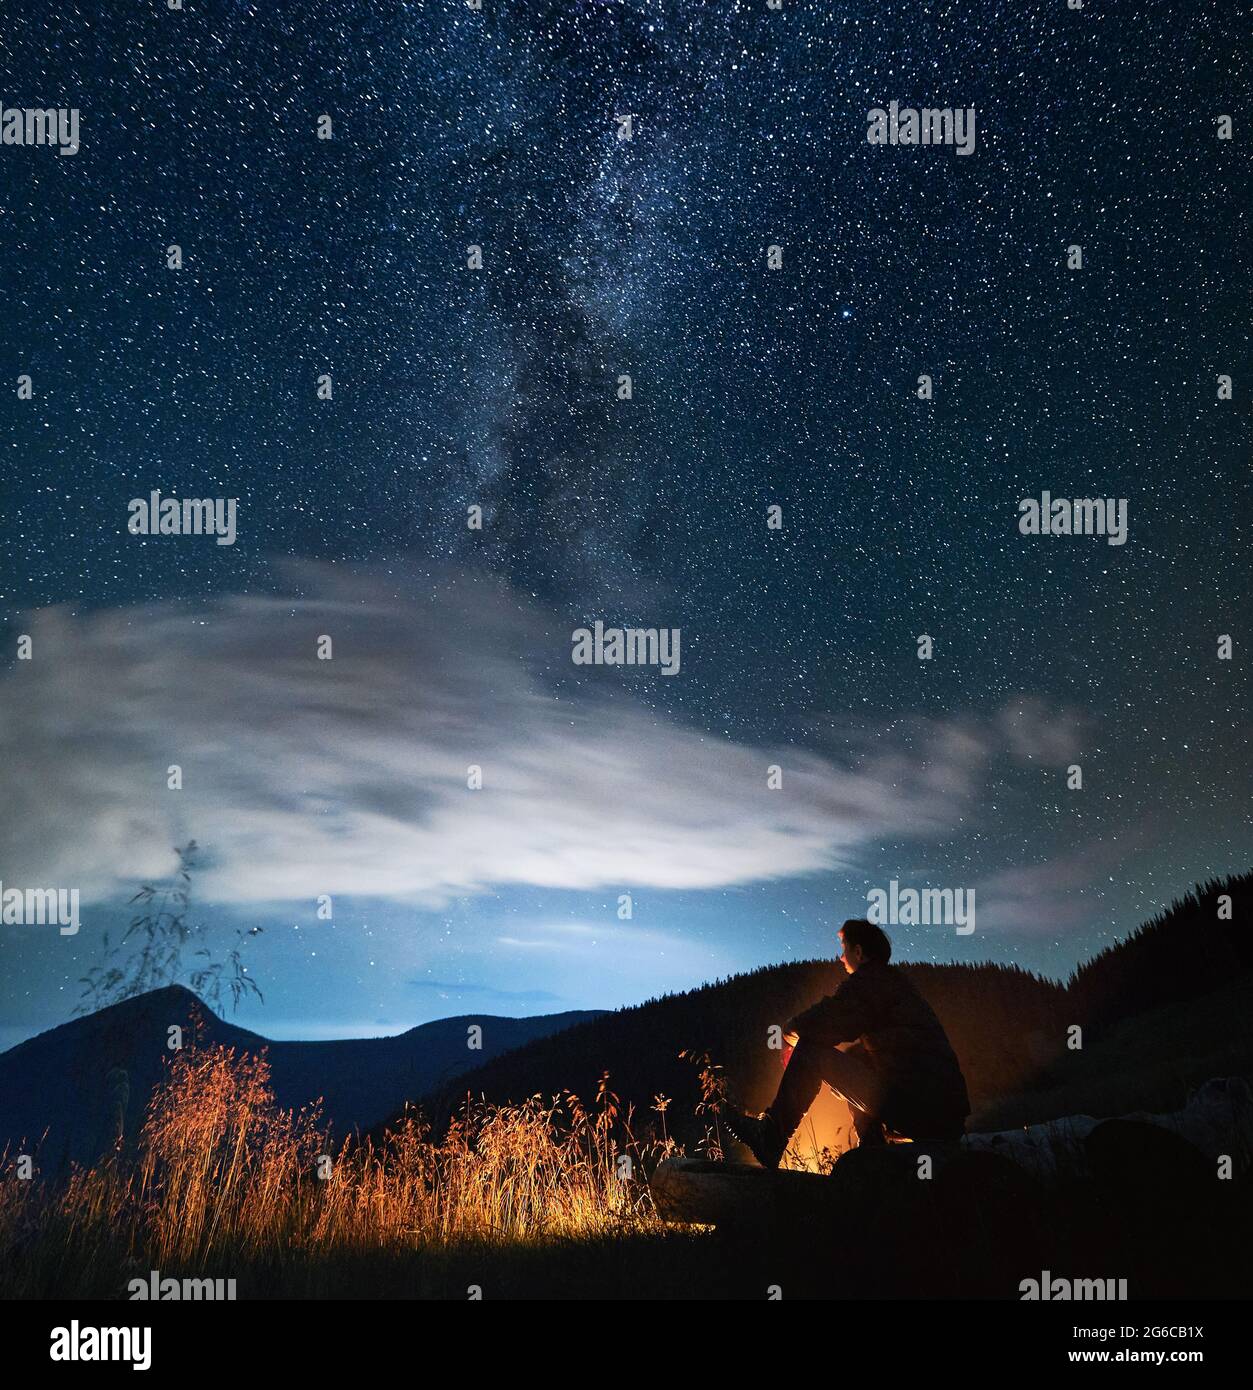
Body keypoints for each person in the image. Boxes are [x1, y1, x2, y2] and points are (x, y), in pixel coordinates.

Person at [723, 919, 970, 1168]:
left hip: (921, 1107)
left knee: (811, 1053)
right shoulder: (895, 985)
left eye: (844, 950)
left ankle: (770, 1137)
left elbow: (829, 1020)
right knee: (857, 1056)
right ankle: (873, 1150)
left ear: (859, 952)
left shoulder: (872, 982)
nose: (841, 958)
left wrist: (789, 1033)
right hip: (941, 1114)